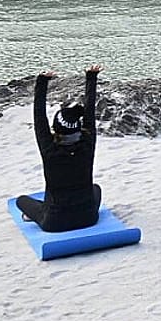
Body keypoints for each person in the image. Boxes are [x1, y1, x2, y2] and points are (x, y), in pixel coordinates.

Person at [16, 66, 103, 232]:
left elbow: (39, 115)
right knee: (96, 188)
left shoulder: (50, 149)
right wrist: (91, 77)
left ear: (55, 129)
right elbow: (90, 112)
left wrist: (42, 82)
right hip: (88, 217)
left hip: (54, 222)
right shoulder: (87, 143)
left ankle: (33, 216)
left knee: (21, 201)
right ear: (78, 127)